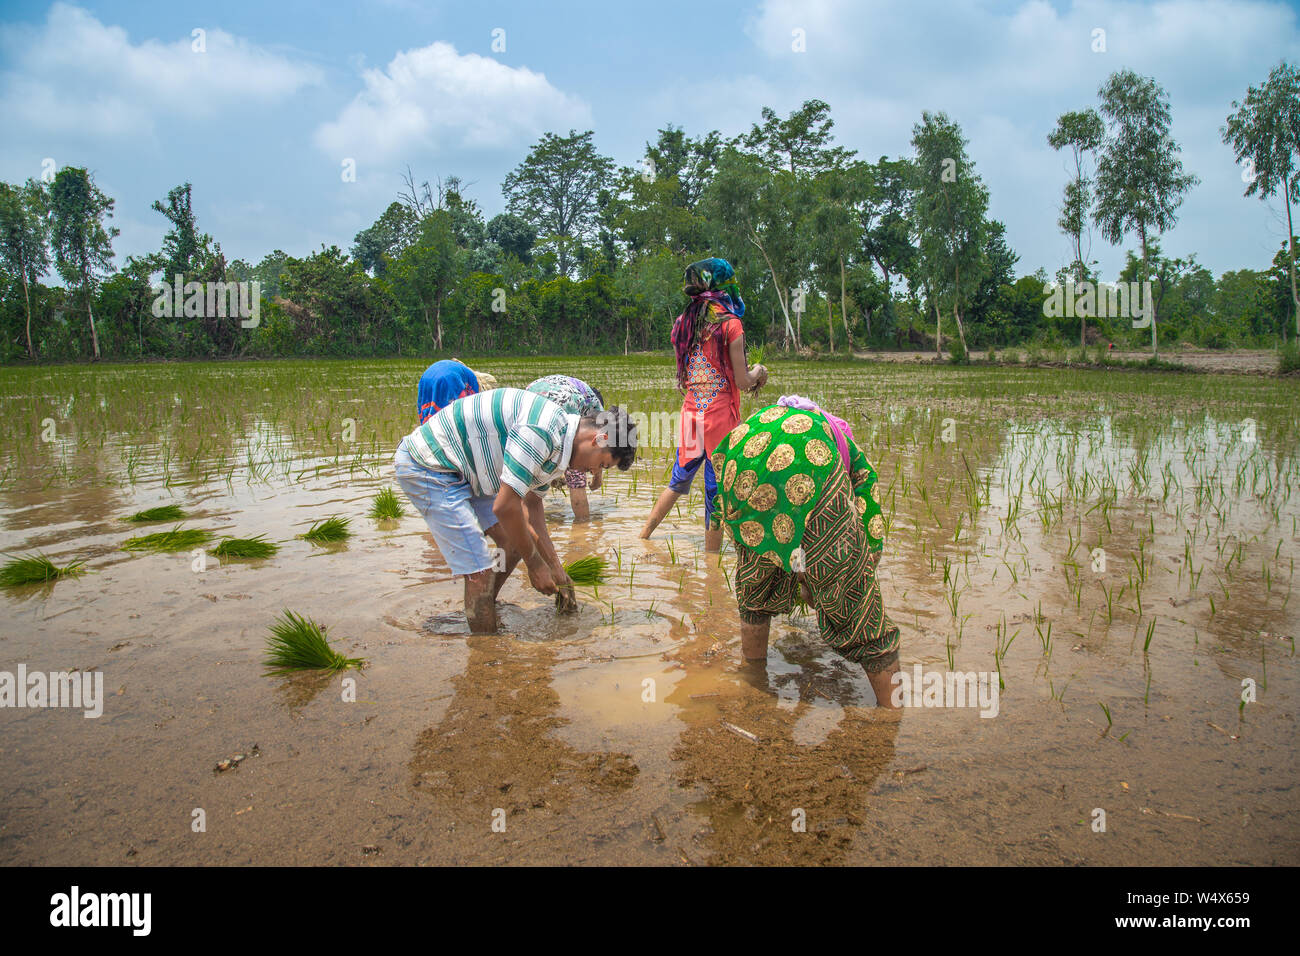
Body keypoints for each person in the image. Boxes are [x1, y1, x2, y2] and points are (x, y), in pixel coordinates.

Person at [394, 387, 637, 632]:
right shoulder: (543, 432)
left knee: (512, 543)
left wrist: (556, 568)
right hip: (431, 465)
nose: (595, 472)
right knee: (479, 569)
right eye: (602, 465)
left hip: (468, 473)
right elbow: (506, 506)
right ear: (599, 440)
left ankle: (485, 605)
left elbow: (531, 505)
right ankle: (485, 656)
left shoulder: (561, 445)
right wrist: (535, 565)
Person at [713, 396, 900, 708]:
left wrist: (803, 575)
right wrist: (833, 586)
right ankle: (893, 713)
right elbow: (867, 546)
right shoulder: (859, 469)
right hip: (808, 459)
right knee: (857, 599)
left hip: (742, 447)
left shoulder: (798, 420)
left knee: (757, 574)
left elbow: (794, 545)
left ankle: (753, 679)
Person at [640, 258, 767, 552]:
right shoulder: (731, 324)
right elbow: (743, 381)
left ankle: (643, 537)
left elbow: (685, 378)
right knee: (716, 490)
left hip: (691, 414)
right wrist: (760, 370)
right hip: (719, 420)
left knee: (678, 481)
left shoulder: (683, 323)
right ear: (724, 285)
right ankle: (712, 561)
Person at [525, 375, 606, 521]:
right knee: (576, 474)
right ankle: (583, 527)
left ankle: (526, 521)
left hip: (528, 398)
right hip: (563, 403)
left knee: (527, 468)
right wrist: (598, 477)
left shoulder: (579, 390)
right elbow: (598, 450)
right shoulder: (597, 411)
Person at [416, 359, 498, 424]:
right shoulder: (474, 384)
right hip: (448, 379)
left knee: (430, 419)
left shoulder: (464, 372)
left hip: (427, 377)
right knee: (451, 420)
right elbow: (468, 413)